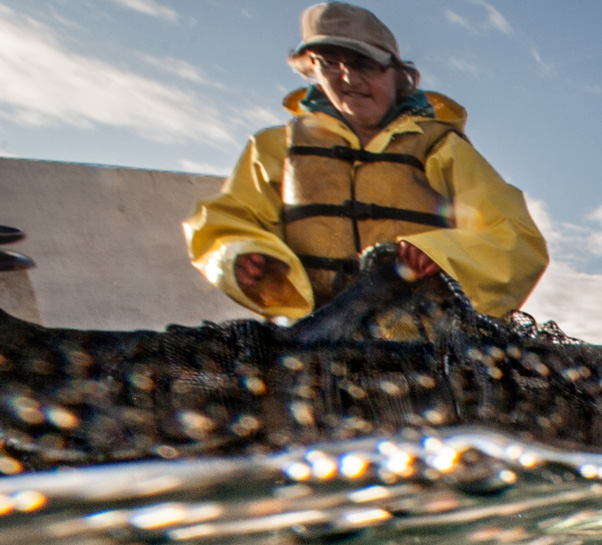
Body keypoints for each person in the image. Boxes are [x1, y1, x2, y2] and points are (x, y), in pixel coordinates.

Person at [184, 3, 547, 322]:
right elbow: (222, 226)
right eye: (329, 64)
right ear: (313, 71)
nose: (348, 78)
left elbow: (515, 239)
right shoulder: (274, 147)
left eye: (364, 64)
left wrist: (442, 254)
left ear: (398, 74)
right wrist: (240, 255)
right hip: (310, 342)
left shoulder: (442, 146)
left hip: (424, 340)